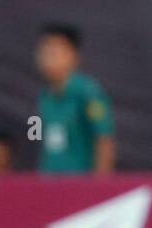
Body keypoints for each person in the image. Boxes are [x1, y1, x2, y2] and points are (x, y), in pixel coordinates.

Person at [34, 25, 115, 174]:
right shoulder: (44, 97)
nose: (47, 59)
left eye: (54, 53)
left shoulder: (89, 94)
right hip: (48, 184)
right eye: (44, 52)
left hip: (79, 184)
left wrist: (100, 187)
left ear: (73, 56)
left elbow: (104, 140)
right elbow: (39, 139)